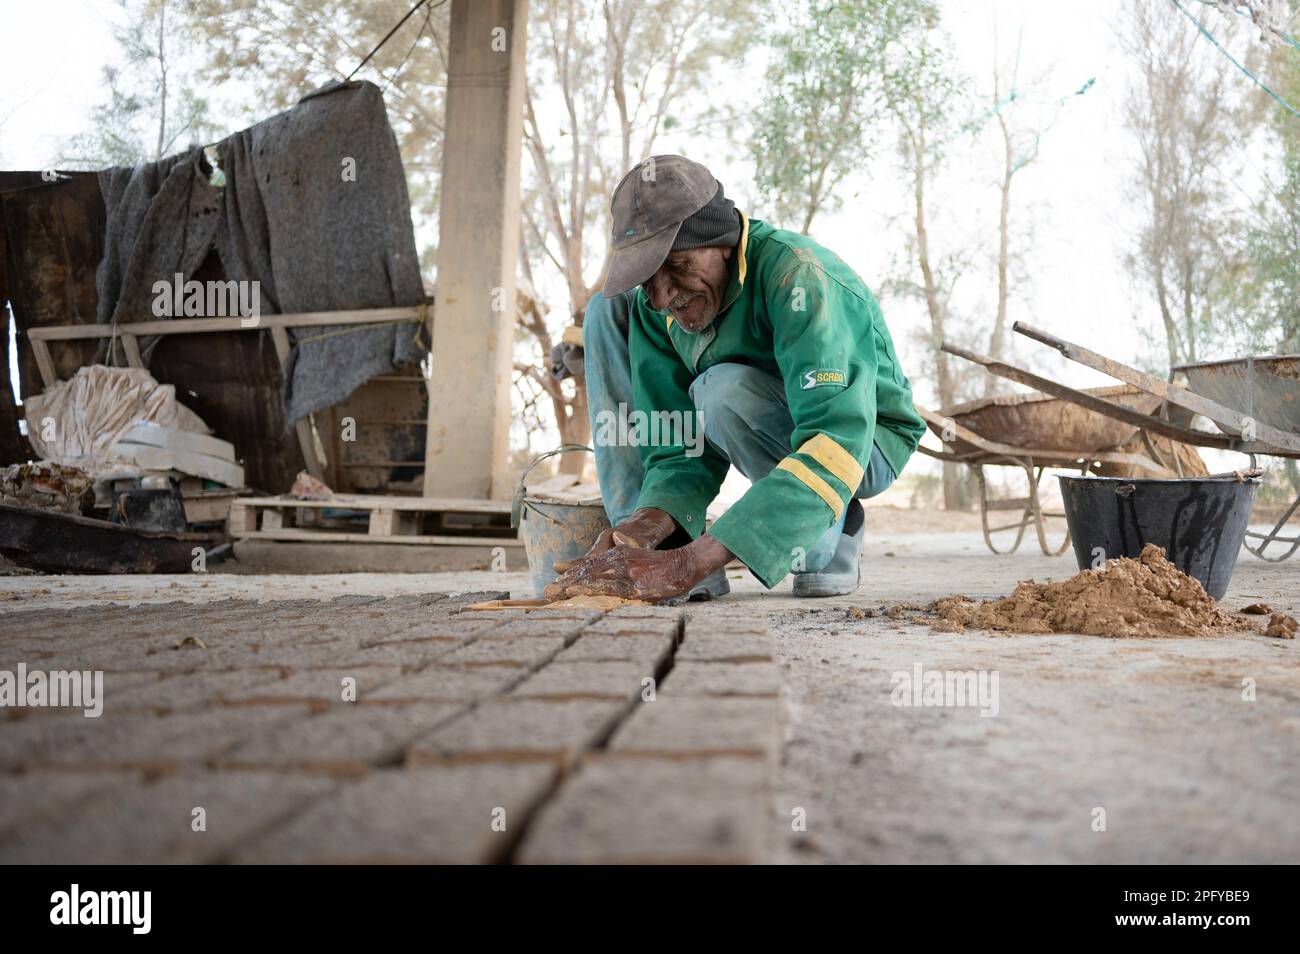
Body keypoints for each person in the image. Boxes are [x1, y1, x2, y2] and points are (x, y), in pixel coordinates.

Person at [546, 155, 925, 602]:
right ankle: (653, 553)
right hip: (770, 421)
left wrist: (693, 564)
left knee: (721, 390)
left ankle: (832, 526)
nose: (664, 295)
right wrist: (645, 529)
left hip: (859, 442)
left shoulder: (799, 278)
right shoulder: (657, 306)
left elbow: (835, 441)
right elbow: (676, 442)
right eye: (650, 277)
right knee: (606, 310)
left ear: (723, 241)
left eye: (680, 266)